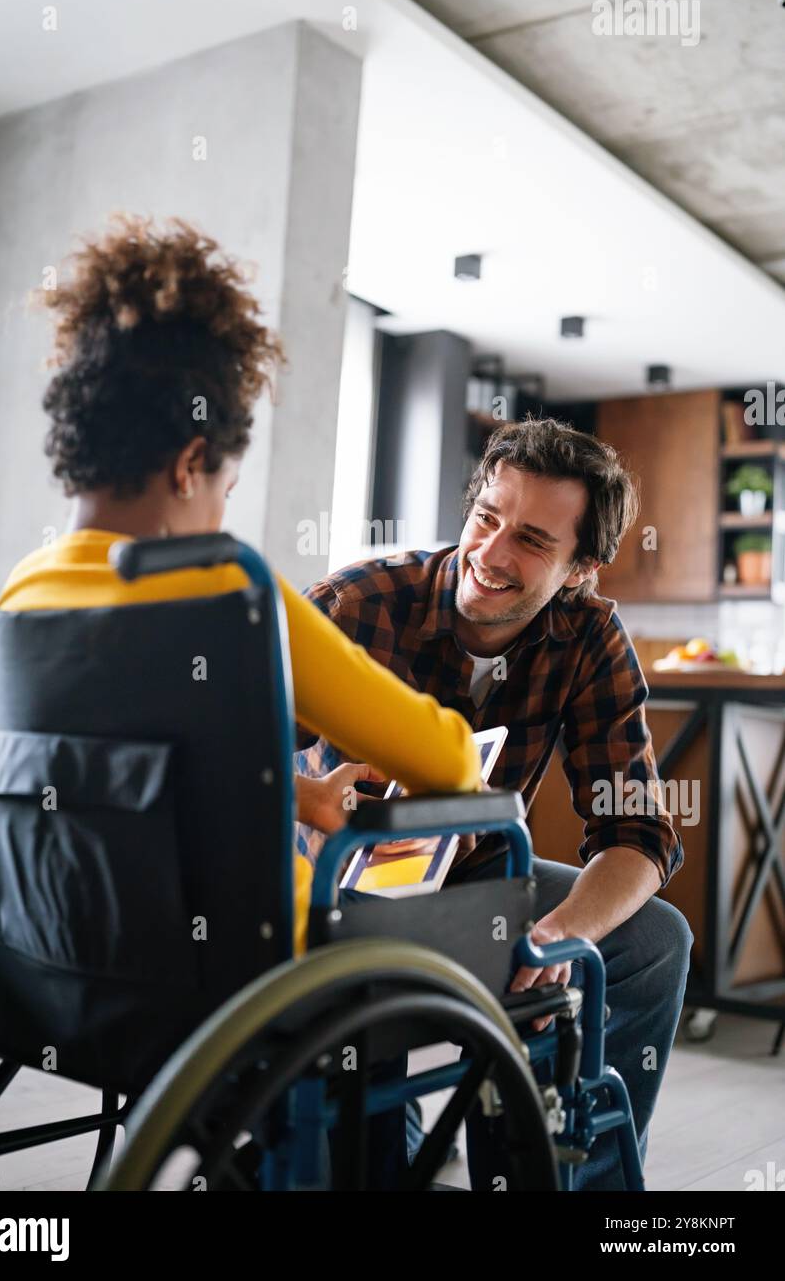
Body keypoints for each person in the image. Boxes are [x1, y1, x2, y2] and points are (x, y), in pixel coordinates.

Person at [0, 214, 480, 974]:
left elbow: (134, 776)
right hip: (260, 986)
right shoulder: (229, 589)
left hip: (63, 971)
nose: (221, 511)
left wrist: (298, 793)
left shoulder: (23, 591)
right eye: (226, 485)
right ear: (192, 463)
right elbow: (448, 764)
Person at [296, 416, 694, 1190]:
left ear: (581, 567)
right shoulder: (355, 604)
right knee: (365, 1149)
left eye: (533, 541)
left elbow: (638, 831)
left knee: (652, 941)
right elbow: (223, 760)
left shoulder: (589, 636)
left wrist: (558, 934)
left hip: (478, 888)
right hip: (342, 897)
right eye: (487, 517)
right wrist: (305, 796)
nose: (492, 553)